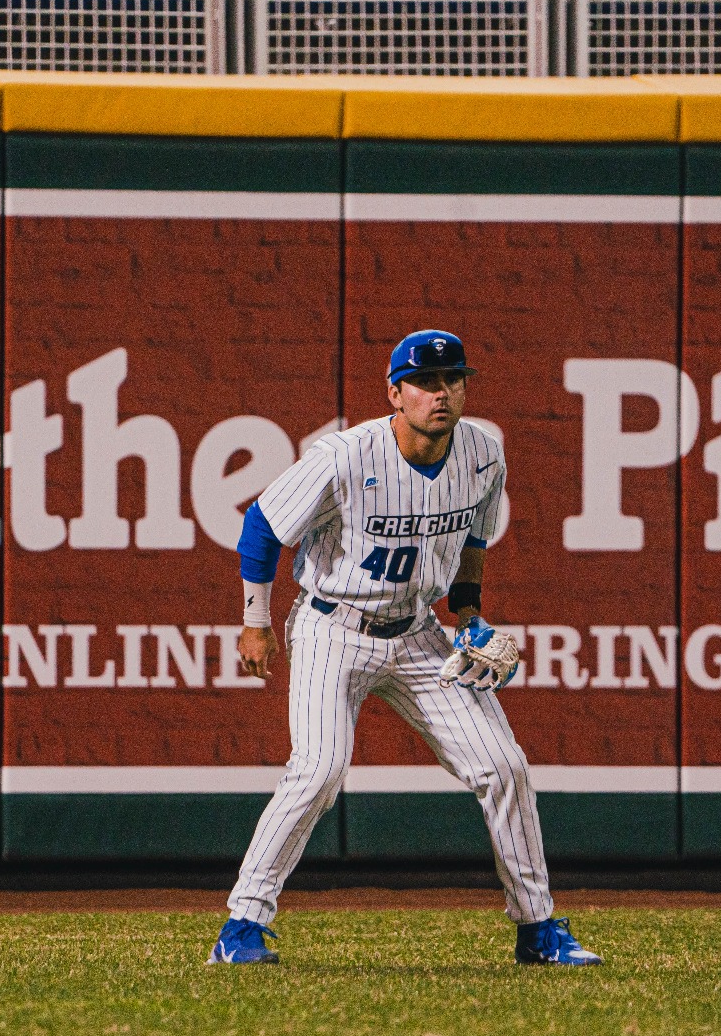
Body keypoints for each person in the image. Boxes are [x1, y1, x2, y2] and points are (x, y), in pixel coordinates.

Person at [208, 329, 601, 967]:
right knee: (319, 771)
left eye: (452, 380)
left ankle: (539, 930)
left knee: (505, 767)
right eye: (424, 382)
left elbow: (474, 538)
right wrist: (256, 621)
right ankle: (241, 927)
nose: (439, 393)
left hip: (418, 632)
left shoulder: (482, 454)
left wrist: (469, 616)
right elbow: (263, 523)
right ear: (395, 393)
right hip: (333, 625)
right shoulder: (346, 456)